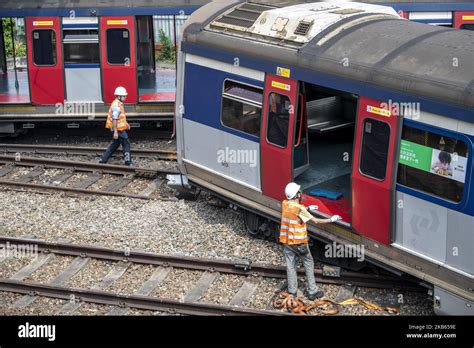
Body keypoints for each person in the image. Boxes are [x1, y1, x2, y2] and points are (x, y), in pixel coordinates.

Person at [280, 182, 342, 300]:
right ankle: (312, 291)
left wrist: (308, 208)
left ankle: (292, 292)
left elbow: (295, 212)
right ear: (296, 195)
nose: (300, 193)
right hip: (300, 243)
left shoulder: (285, 204)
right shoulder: (300, 209)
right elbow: (316, 221)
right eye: (299, 191)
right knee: (308, 263)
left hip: (287, 242)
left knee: (290, 266)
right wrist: (331, 219)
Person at [99, 86, 132, 166]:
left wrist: (126, 123)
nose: (125, 97)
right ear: (119, 96)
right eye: (124, 96)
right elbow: (114, 119)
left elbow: (121, 116)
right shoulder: (116, 106)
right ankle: (128, 162)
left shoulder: (119, 104)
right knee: (126, 143)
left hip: (118, 128)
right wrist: (116, 132)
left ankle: (103, 159)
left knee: (115, 144)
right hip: (118, 129)